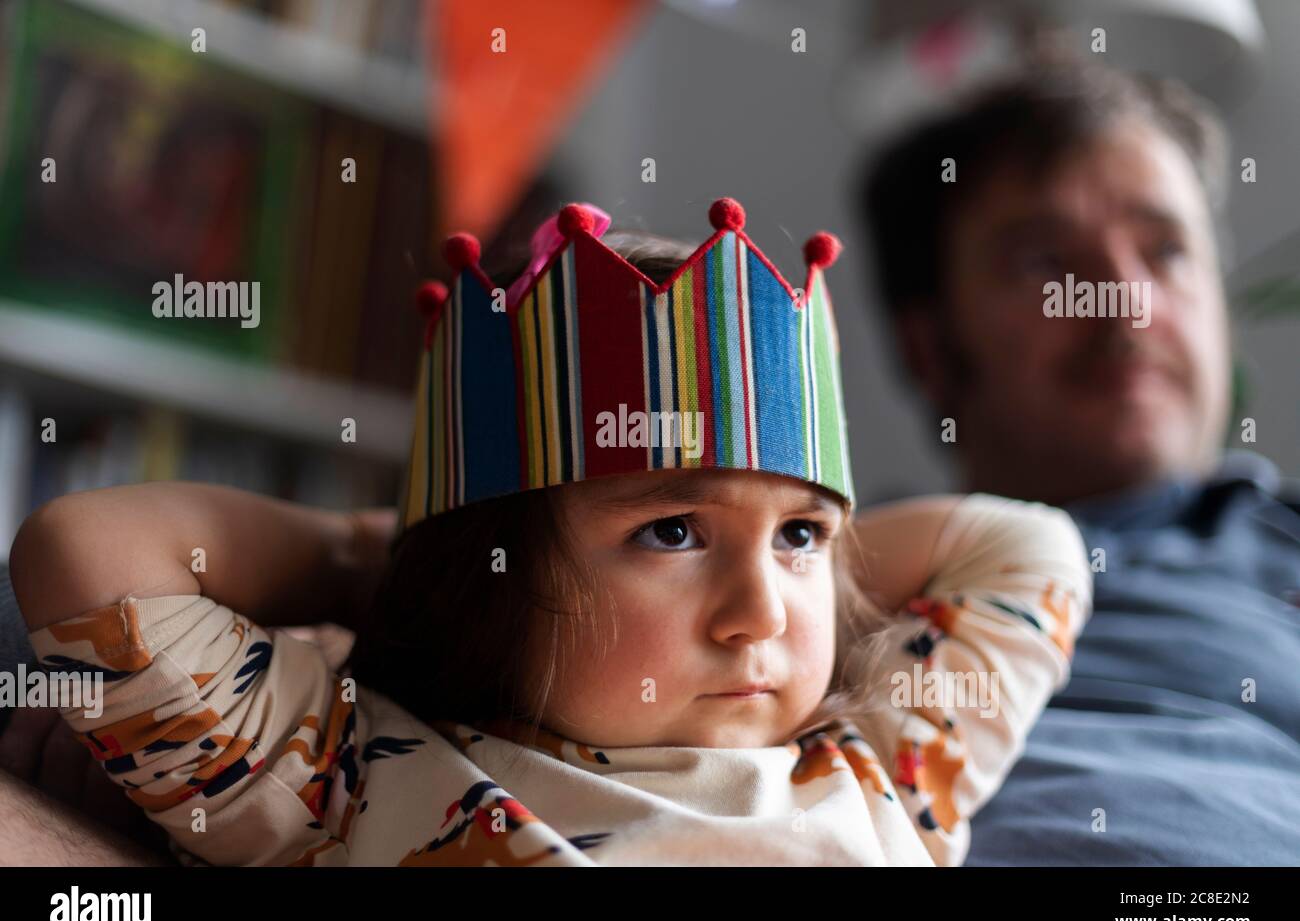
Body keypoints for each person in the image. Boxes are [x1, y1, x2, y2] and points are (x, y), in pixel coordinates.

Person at [7, 199, 1091, 865]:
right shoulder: (352, 772)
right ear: (486, 583)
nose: (761, 611)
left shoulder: (885, 763)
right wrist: (369, 557)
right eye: (670, 531)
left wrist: (833, 576)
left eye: (799, 536)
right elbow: (87, 556)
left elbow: (1024, 547)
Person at [857, 55, 1300, 864]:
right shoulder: (815, 583)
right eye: (1046, 265)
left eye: (1164, 252)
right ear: (930, 348)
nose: (1124, 306)